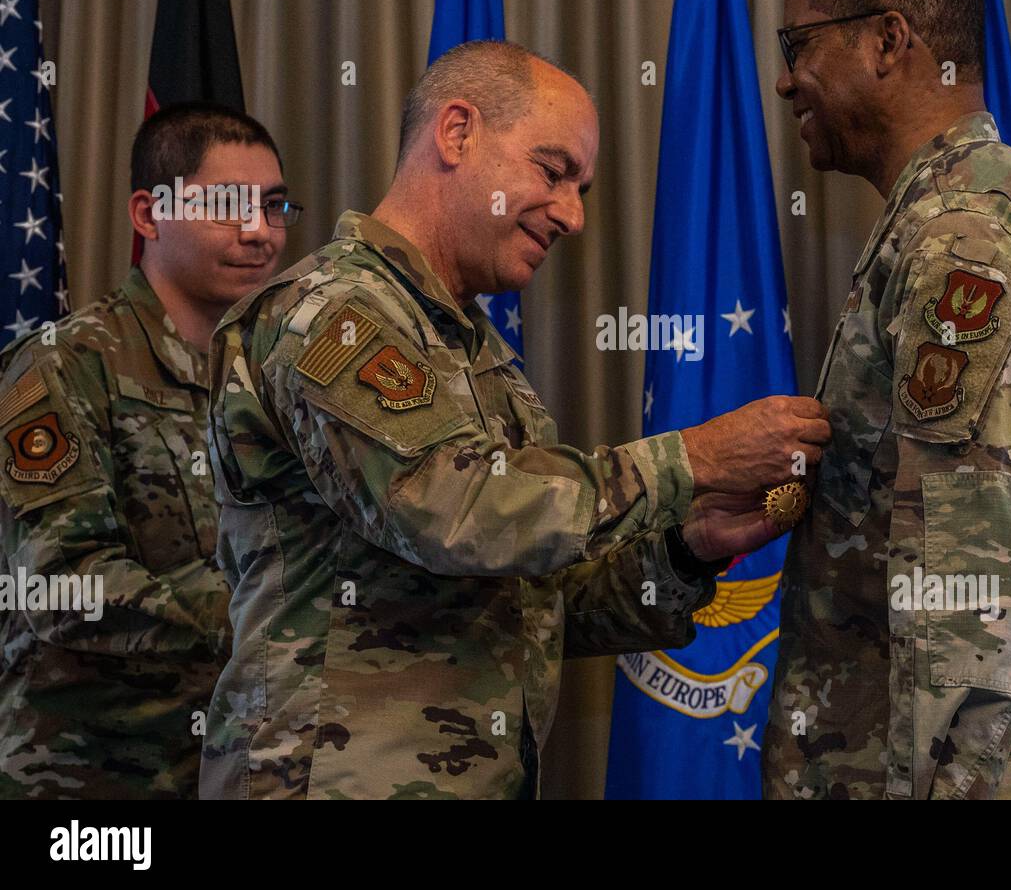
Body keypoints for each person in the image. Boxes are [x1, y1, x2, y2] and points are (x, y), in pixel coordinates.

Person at [201, 40, 830, 800]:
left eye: (582, 188)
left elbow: (534, 602)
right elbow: (451, 509)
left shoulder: (475, 351)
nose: (572, 215)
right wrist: (690, 460)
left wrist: (687, 550)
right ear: (457, 132)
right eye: (553, 171)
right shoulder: (335, 312)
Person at [762, 0, 1011, 800]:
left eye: (799, 44)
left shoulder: (964, 234)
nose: (784, 79)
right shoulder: (952, 216)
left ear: (888, 41)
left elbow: (971, 586)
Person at [0, 102, 295, 798]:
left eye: (275, 207)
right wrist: (281, 607)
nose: (259, 233)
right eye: (228, 204)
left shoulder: (278, 379)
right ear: (147, 214)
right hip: (87, 787)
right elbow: (60, 586)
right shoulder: (59, 368)